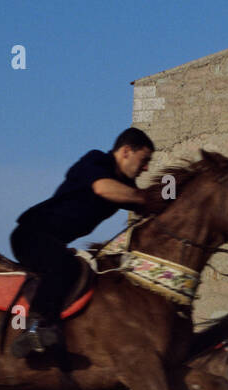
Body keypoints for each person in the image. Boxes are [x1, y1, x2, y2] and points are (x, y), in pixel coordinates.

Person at [9, 128, 159, 357]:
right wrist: (147, 198)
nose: (146, 167)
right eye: (144, 160)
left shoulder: (123, 186)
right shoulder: (95, 160)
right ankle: (34, 330)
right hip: (30, 236)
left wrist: (171, 198)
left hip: (53, 241)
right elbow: (103, 188)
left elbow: (144, 203)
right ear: (126, 151)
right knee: (64, 266)